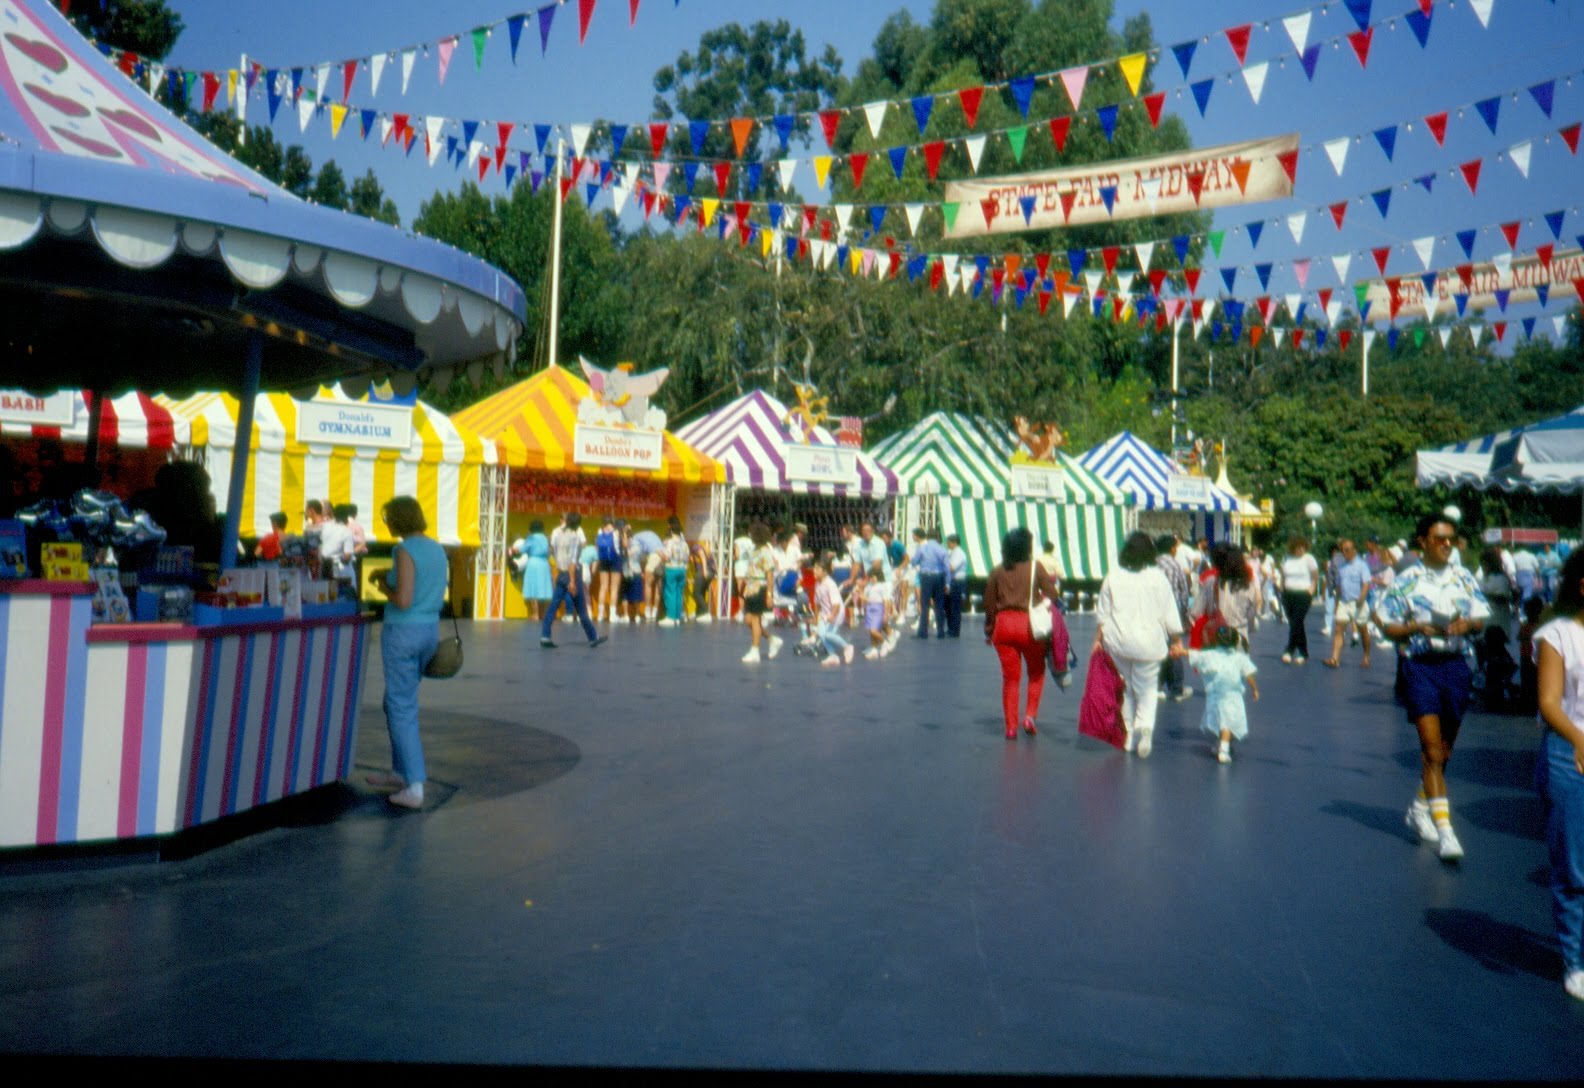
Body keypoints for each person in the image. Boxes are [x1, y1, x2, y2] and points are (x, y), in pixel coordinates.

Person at [1375, 512, 1490, 863]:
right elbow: (1385, 623)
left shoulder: (1463, 576)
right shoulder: (1406, 580)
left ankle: (1419, 808)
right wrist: (1413, 629)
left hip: (1455, 667)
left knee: (1444, 751)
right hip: (1421, 667)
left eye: (1451, 539)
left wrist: (1466, 624)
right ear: (1422, 541)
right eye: (1439, 539)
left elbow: (1481, 616)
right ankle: (1446, 832)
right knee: (1430, 751)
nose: (1446, 545)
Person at [364, 496, 447, 811]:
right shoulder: (436, 548)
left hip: (403, 632)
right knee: (396, 701)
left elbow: (402, 599)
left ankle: (414, 786)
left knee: (400, 707)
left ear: (397, 520)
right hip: (429, 631)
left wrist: (381, 584)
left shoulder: (404, 550)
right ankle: (400, 772)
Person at [1531, 547, 1584, 1000]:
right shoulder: (1558, 634)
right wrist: (1580, 739)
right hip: (1571, 752)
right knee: (1574, 865)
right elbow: (1549, 702)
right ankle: (1575, 960)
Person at [1095, 532, 1185, 758]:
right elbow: (1169, 614)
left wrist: (1097, 640)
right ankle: (1145, 729)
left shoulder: (1113, 576)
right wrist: (1176, 640)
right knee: (1146, 690)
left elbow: (1103, 615)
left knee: (1125, 689)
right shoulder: (1158, 578)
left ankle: (1126, 735)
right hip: (1150, 644)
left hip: (1119, 642)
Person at [983, 527, 1059, 739]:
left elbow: (989, 603)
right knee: (1036, 671)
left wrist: (990, 629)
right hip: (1030, 626)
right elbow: (1053, 594)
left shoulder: (997, 571)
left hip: (1004, 626)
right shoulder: (1036, 567)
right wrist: (1043, 601)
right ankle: (1029, 717)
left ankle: (1010, 727)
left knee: (1010, 679)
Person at [1189, 623, 1260, 764]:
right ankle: (1224, 750)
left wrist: (1180, 651)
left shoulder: (1211, 654)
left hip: (1215, 694)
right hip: (1232, 696)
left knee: (1220, 721)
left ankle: (1220, 744)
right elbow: (1249, 674)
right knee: (1229, 723)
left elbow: (1195, 655)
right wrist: (1255, 689)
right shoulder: (1240, 658)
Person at [541, 512, 606, 650]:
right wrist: (572, 580)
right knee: (582, 608)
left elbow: (553, 551)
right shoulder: (575, 538)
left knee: (553, 605)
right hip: (572, 574)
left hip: (560, 572)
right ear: (578, 524)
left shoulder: (558, 536)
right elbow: (572, 560)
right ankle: (593, 637)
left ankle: (545, 635)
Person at [1193, 543, 1259, 651]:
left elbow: (1195, 613)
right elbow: (1251, 615)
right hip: (1240, 638)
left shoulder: (1211, 583)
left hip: (1216, 638)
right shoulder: (1248, 585)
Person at [1154, 534, 1194, 702]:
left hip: (1154, 611)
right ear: (1172, 548)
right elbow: (1183, 590)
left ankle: (1156, 686)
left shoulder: (1152, 564)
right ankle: (1177, 688)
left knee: (1158, 646)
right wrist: (1185, 612)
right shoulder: (1174, 565)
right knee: (1175, 648)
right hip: (1172, 610)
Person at [1323, 538, 1373, 669]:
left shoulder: (1361, 565)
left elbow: (1366, 584)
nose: (1344, 552)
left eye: (1347, 550)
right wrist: (1337, 603)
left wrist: (1361, 599)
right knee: (1338, 629)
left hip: (1358, 602)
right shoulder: (1342, 567)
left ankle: (1366, 656)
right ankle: (1334, 659)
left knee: (1363, 631)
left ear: (1354, 550)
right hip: (1345, 602)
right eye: (1342, 550)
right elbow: (1339, 587)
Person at [740, 522, 782, 664]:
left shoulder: (765, 552)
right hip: (750, 587)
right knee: (748, 620)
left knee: (756, 620)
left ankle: (755, 650)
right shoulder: (754, 550)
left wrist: (769, 594)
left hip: (760, 587)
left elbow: (770, 573)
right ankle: (772, 639)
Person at [1279, 536, 1320, 665]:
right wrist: (1281, 588)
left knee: (1297, 620)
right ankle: (1303, 652)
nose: (1300, 550)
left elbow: (1315, 576)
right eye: (1298, 547)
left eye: (1303, 547)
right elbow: (1283, 575)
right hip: (1288, 593)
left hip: (1303, 593)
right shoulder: (1287, 558)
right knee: (1295, 623)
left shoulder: (1309, 559)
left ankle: (1289, 650)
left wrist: (1311, 590)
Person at [812, 553, 855, 668]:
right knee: (821, 634)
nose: (814, 571)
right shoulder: (817, 584)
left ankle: (847, 647)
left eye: (817, 569)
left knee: (828, 634)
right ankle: (833, 656)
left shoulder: (830, 584)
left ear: (825, 571)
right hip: (825, 614)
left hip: (836, 613)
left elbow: (836, 604)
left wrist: (832, 615)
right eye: (814, 568)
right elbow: (817, 603)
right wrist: (816, 618)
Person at [510, 520, 552, 621]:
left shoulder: (531, 538)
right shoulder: (545, 538)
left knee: (534, 589)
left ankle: (535, 614)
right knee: (543, 589)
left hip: (534, 563)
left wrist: (511, 549)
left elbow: (522, 549)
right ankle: (542, 614)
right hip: (544, 564)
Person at [912, 527, 950, 639]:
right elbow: (947, 567)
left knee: (925, 605)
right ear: (937, 537)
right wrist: (947, 583)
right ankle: (940, 631)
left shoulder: (923, 548)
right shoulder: (942, 549)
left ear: (928, 537)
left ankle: (923, 632)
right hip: (939, 577)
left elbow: (914, 561)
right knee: (939, 604)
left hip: (926, 577)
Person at [320, 504, 358, 601]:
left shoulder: (325, 527)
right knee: (344, 599)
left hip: (325, 567)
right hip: (341, 570)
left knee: (328, 598)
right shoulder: (346, 531)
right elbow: (347, 556)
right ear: (347, 517)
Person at [861, 559, 896, 660]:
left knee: (874, 630)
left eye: (872, 577)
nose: (871, 579)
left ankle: (885, 643)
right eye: (870, 577)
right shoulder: (869, 586)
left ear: (878, 576)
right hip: (870, 609)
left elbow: (885, 600)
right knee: (870, 631)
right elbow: (867, 598)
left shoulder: (882, 587)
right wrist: (860, 594)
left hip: (878, 609)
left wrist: (886, 613)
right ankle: (874, 648)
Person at [1519, 595, 1546, 716]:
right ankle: (1528, 705)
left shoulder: (1538, 626)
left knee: (1532, 682)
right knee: (1528, 682)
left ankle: (1531, 705)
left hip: (1533, 658)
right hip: (1526, 657)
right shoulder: (1528, 625)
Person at [660, 516, 689, 626]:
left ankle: (670, 617)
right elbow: (687, 556)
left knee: (670, 592)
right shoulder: (684, 543)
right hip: (682, 569)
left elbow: (666, 556)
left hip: (671, 568)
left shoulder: (670, 542)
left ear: (671, 529)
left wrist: (661, 555)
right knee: (679, 593)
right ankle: (677, 616)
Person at [594, 517, 623, 623]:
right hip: (615, 559)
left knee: (603, 587)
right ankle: (612, 615)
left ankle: (600, 615)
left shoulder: (599, 532)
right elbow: (624, 545)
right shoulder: (616, 532)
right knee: (614, 588)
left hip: (603, 560)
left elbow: (596, 547)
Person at [945, 533, 969, 639]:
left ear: (954, 543)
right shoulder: (953, 552)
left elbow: (952, 567)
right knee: (949, 606)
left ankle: (954, 631)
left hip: (958, 581)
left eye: (949, 542)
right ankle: (950, 629)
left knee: (955, 606)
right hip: (953, 581)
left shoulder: (959, 553)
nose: (947, 544)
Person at [691, 527, 717, 623]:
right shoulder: (705, 546)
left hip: (703, 571)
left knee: (696, 593)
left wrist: (704, 571)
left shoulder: (696, 547)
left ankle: (705, 613)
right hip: (711, 572)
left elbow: (702, 557)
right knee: (701, 592)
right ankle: (699, 613)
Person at [732, 524, 753, 620]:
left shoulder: (737, 541)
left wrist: (731, 558)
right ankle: (750, 610)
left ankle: (741, 611)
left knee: (740, 591)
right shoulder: (750, 541)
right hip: (749, 567)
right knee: (748, 590)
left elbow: (737, 555)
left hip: (740, 566)